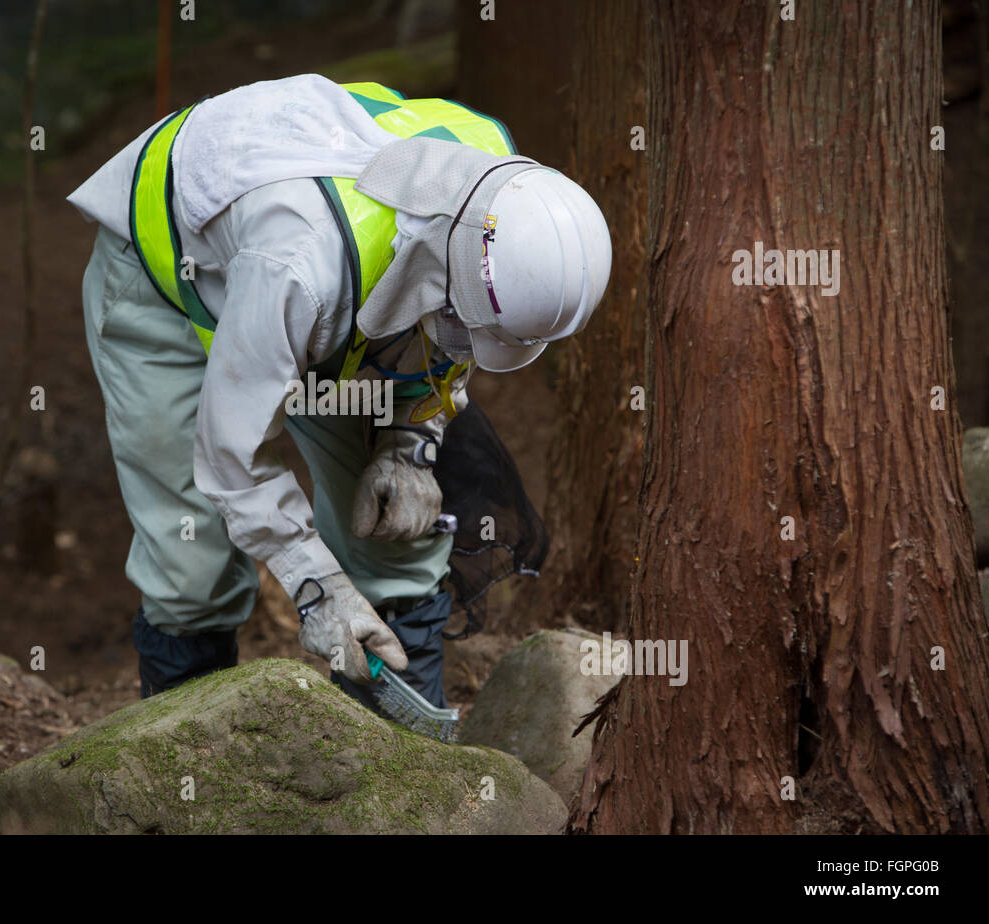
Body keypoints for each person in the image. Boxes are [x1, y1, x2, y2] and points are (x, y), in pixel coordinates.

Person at [68, 74, 611, 711]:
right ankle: (190, 774)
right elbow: (230, 458)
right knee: (191, 570)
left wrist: (411, 441)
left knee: (396, 533)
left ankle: (395, 758)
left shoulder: (500, 191)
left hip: (323, 288)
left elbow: (449, 342)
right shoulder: (300, 266)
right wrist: (316, 585)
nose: (472, 339)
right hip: (162, 274)